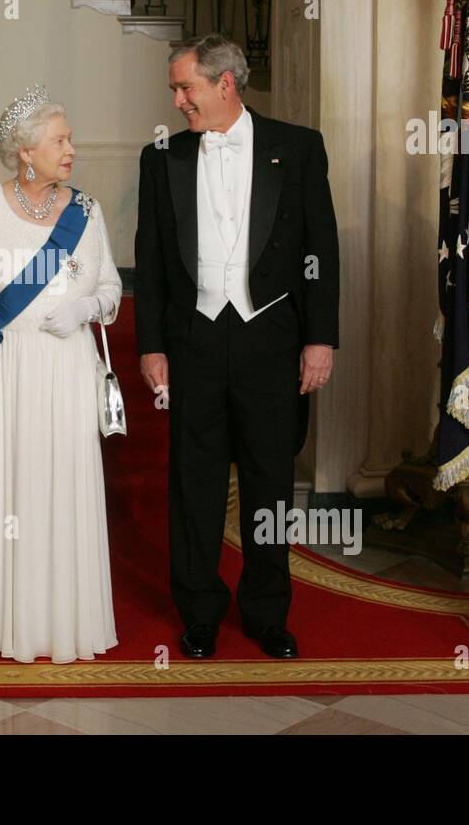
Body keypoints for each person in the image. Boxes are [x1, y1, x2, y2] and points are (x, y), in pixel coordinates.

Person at [134, 34, 340, 661]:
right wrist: (150, 344)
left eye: (185, 88)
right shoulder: (161, 155)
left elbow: (320, 250)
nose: (176, 101)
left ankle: (266, 612)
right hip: (193, 337)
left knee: (269, 482)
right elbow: (149, 255)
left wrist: (320, 337)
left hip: (270, 338)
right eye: (174, 89)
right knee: (193, 484)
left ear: (225, 84)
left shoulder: (297, 147)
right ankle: (199, 611)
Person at [0, 85, 121, 663]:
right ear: (27, 151)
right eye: (60, 139)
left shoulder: (86, 211)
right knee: (9, 494)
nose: (71, 149)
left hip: (67, 369)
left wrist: (86, 309)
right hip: (8, 370)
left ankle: (63, 620)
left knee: (60, 489)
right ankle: (4, 620)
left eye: (70, 138)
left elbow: (112, 287)